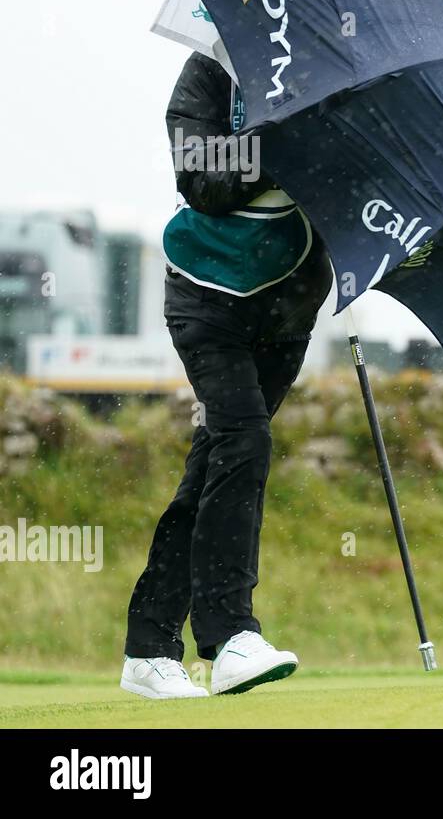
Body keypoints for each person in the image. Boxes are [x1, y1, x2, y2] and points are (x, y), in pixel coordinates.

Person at [120, 52, 332, 699]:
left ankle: (150, 646)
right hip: (204, 298)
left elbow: (357, 183)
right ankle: (230, 634)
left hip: (288, 308)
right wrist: (283, 147)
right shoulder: (207, 74)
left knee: (213, 459)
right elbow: (201, 175)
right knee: (244, 440)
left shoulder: (332, 77)